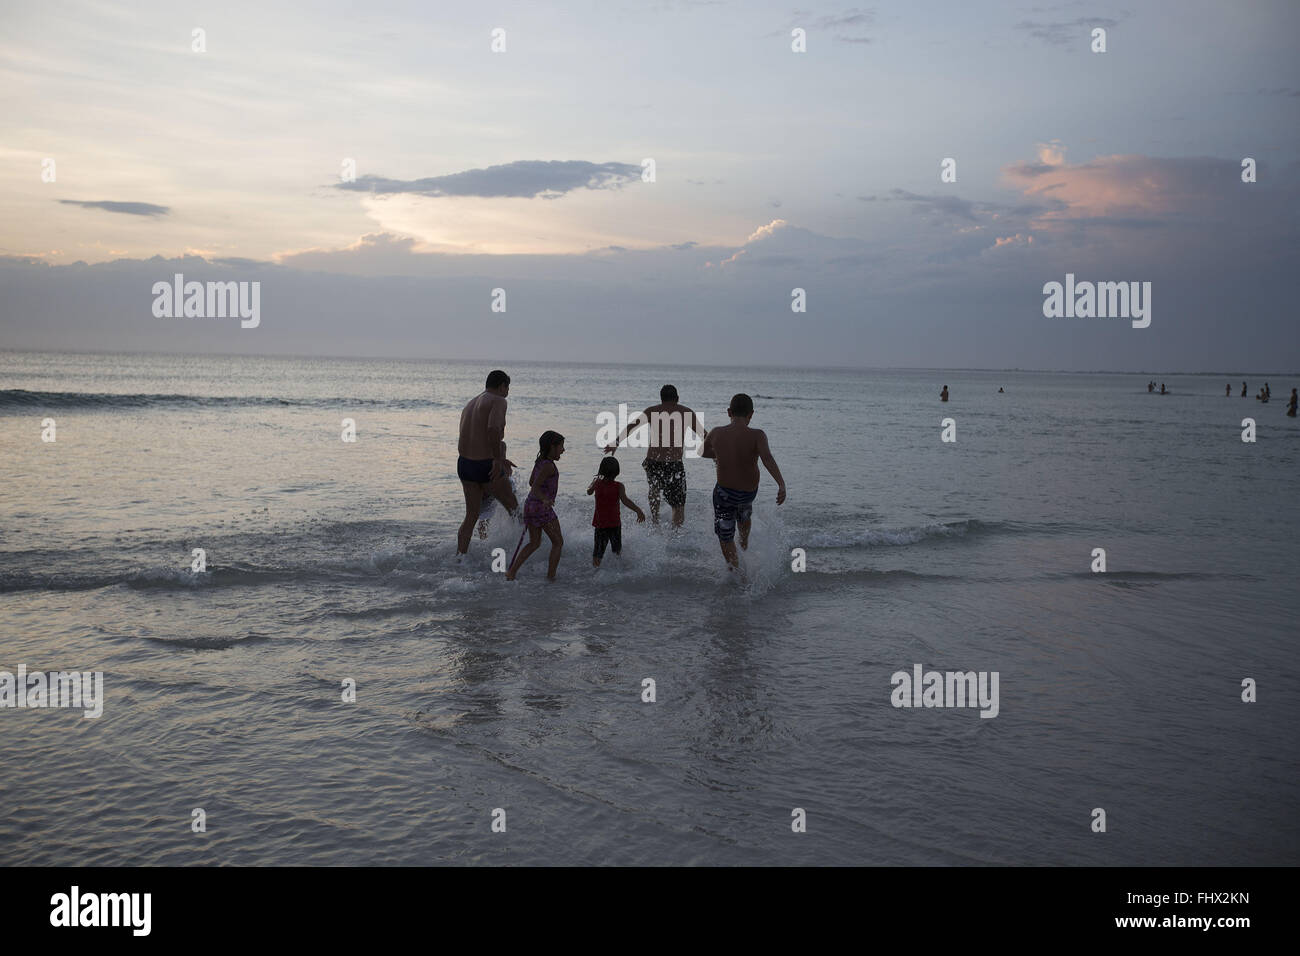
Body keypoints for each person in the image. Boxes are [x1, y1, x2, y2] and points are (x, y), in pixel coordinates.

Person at [701, 393, 786, 570]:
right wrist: (781, 484)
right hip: (748, 494)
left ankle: (735, 572)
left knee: (725, 536)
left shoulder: (716, 432)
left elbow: (702, 452)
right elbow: (767, 458)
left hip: (724, 494)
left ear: (729, 412)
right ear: (751, 414)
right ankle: (744, 543)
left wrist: (719, 455)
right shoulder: (758, 435)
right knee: (744, 514)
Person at [604, 384, 706, 528]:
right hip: (674, 463)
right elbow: (705, 436)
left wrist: (616, 442)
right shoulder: (686, 413)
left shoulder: (652, 411)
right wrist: (717, 454)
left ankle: (655, 522)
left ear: (661, 398)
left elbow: (631, 427)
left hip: (653, 461)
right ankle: (676, 532)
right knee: (678, 504)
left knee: (654, 491)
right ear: (677, 398)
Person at [457, 370, 517, 555]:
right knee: (515, 510)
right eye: (508, 388)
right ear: (502, 386)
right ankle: (525, 551)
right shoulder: (498, 400)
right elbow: (494, 429)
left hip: (464, 464)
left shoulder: (471, 403)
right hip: (485, 465)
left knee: (471, 516)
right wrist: (498, 460)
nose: (508, 392)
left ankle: (460, 558)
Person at [506, 431, 565, 581]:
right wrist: (545, 499)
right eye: (561, 446)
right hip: (541, 508)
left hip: (530, 506)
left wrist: (541, 494)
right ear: (552, 447)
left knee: (534, 543)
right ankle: (551, 577)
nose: (563, 450)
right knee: (558, 542)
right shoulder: (549, 466)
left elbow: (532, 481)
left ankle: (512, 572)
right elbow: (535, 487)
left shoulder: (540, 462)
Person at [586, 457, 645, 567]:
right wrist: (638, 510)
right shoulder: (619, 486)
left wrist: (593, 482)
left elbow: (589, 492)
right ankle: (618, 570)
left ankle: (595, 571)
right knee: (617, 551)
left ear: (601, 470)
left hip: (600, 525)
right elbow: (625, 501)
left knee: (598, 553)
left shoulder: (597, 483)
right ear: (617, 472)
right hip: (614, 524)